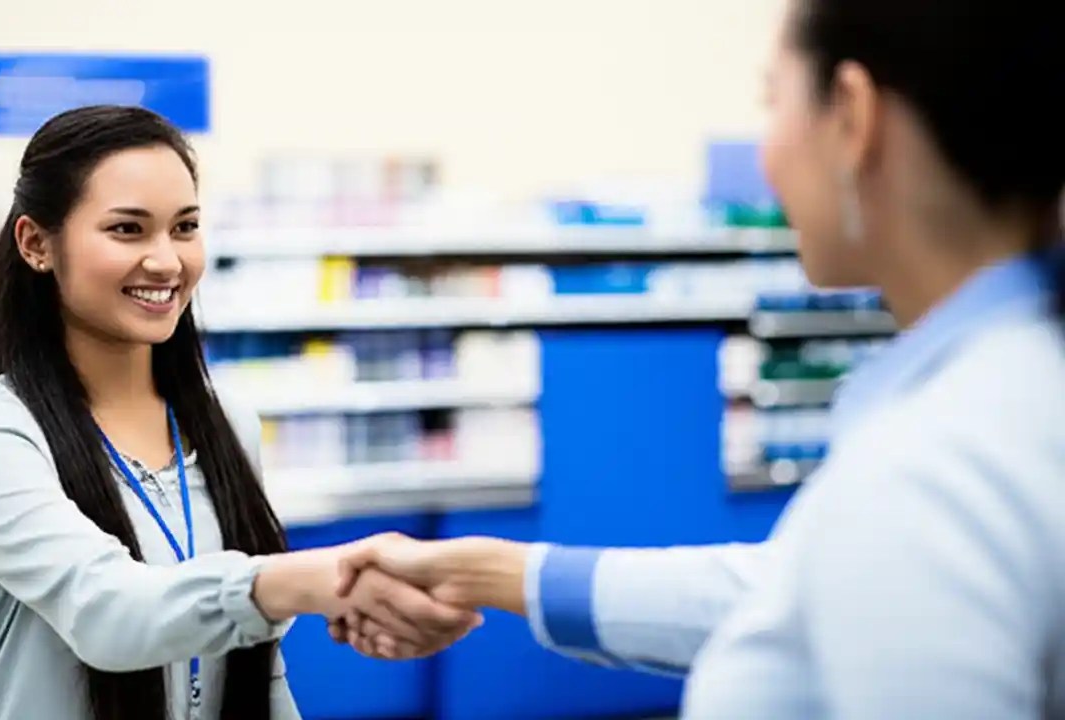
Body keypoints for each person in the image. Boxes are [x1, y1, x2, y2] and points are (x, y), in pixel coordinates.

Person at [335, 0, 1065, 717]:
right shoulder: (1008, 399)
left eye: (771, 100)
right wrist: (495, 573)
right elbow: (805, 594)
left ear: (852, 117)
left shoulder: (936, 463)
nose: (766, 157)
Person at [0, 105, 479, 720]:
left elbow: (258, 673)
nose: (167, 262)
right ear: (36, 244)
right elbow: (107, 611)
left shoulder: (223, 424)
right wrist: (309, 581)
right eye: (127, 230)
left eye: (184, 227)